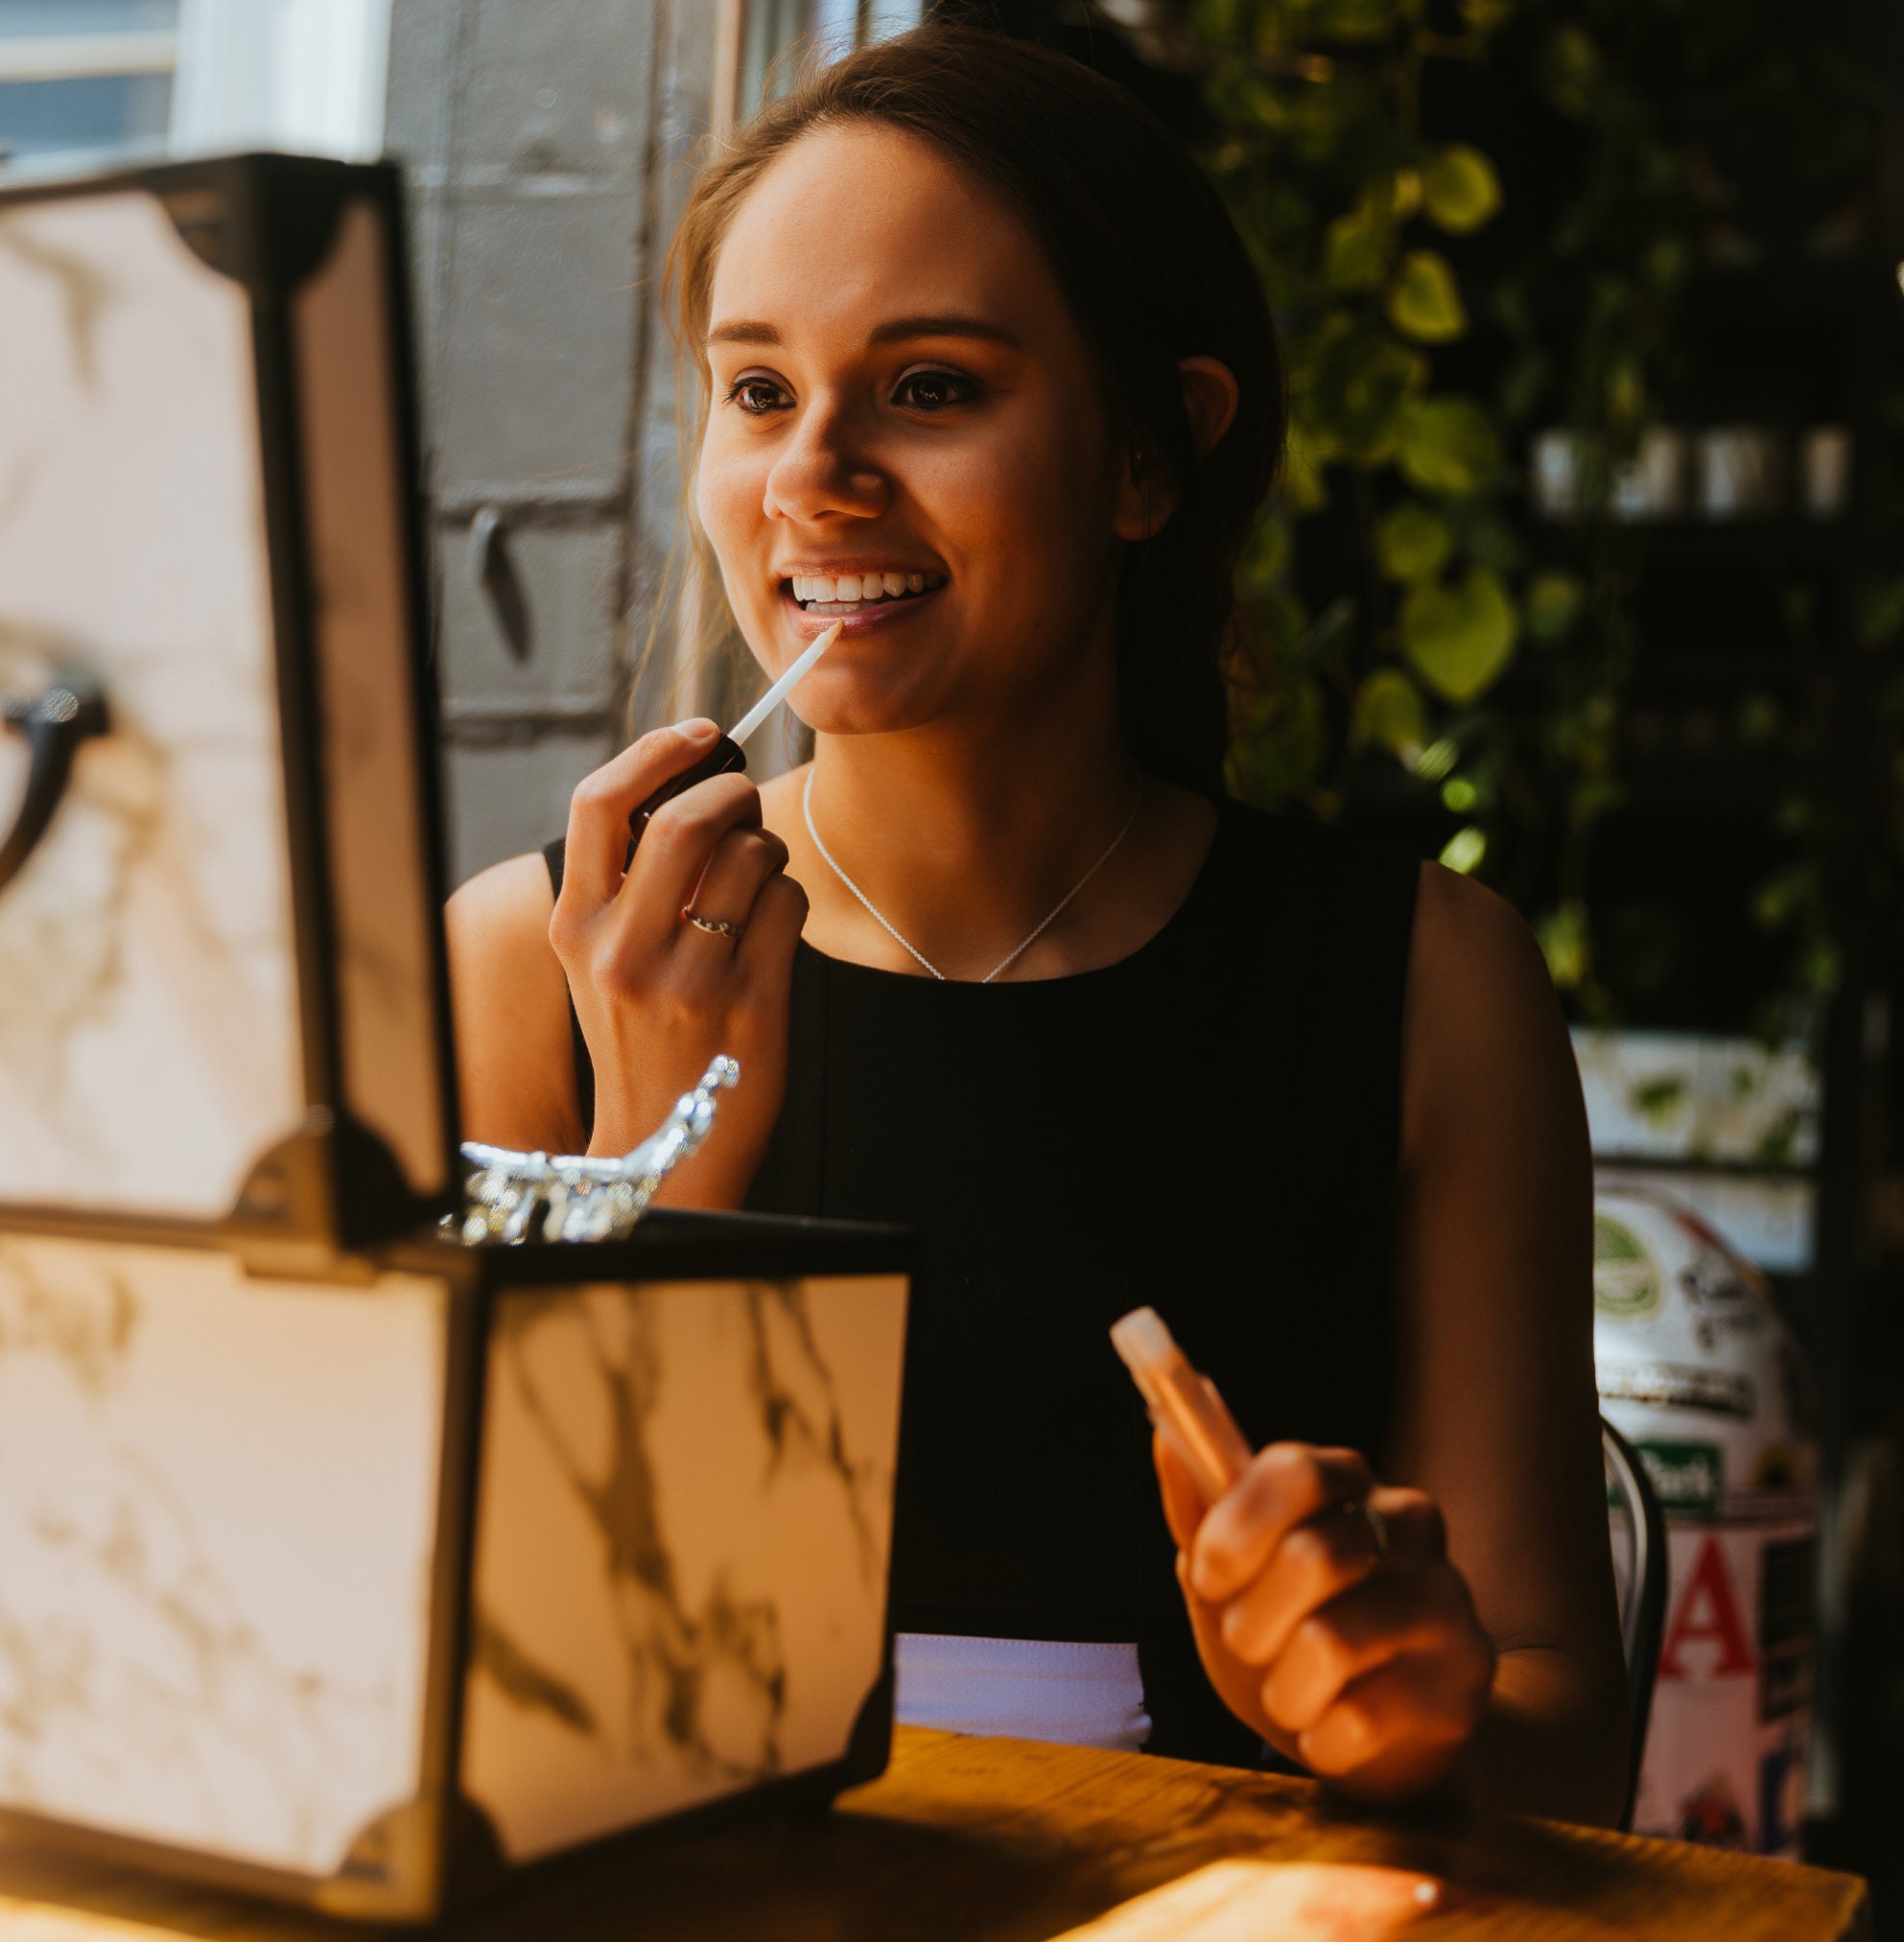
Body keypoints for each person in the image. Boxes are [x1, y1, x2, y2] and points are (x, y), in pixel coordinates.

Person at [446, 22, 1627, 1824]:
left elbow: (1561, 1726)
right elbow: (427, 1662)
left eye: (928, 389)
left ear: (1153, 458)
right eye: (758, 391)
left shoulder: (1428, 986)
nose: (810, 477)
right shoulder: (532, 967)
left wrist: (1391, 1702)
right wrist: (657, 1160)